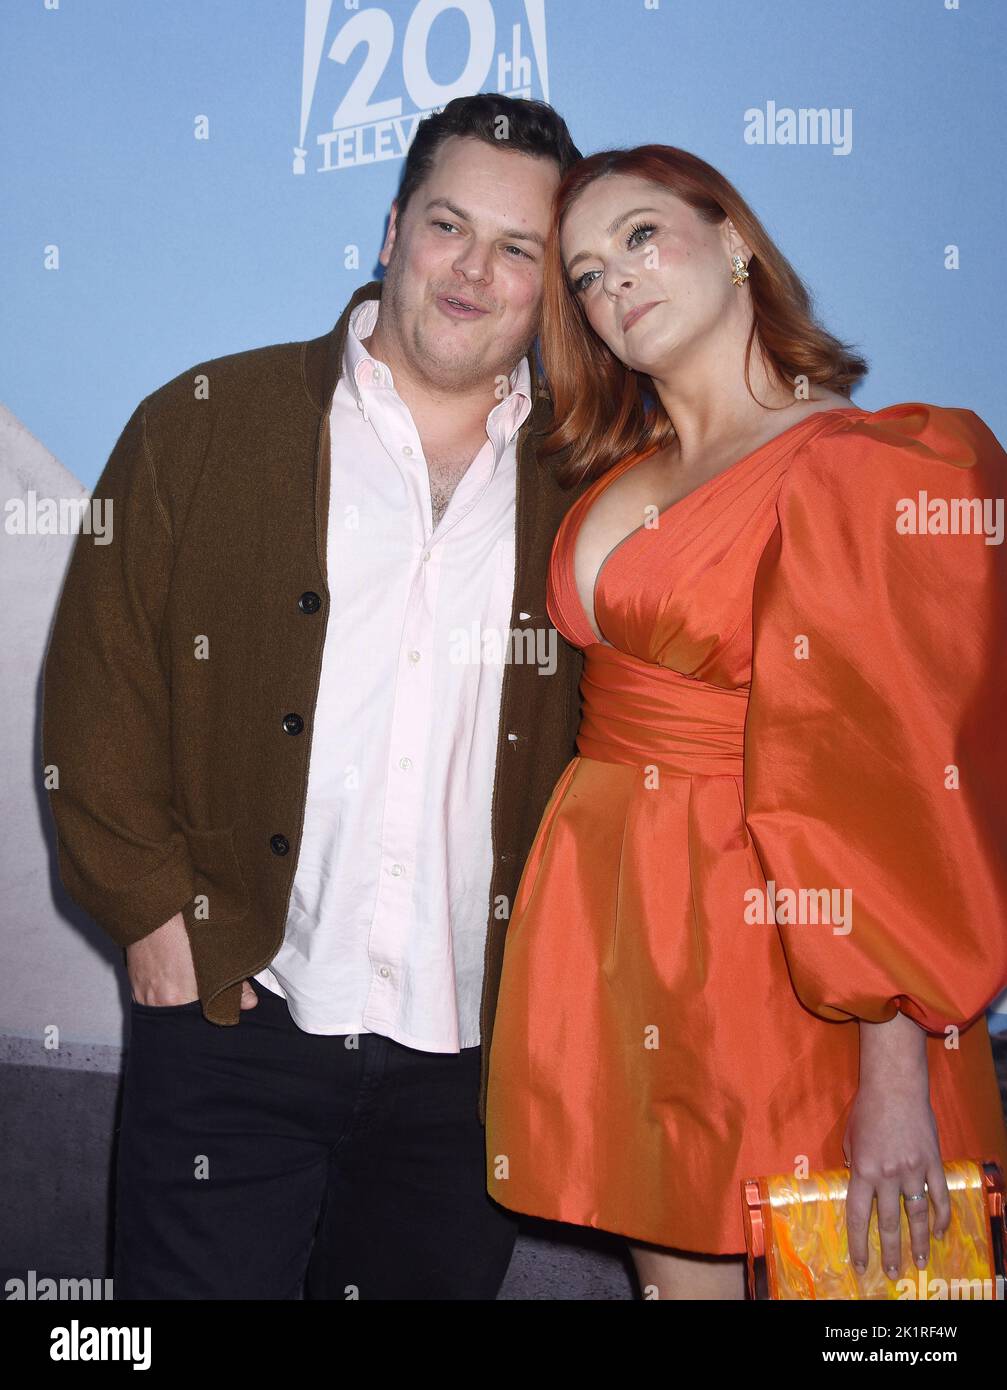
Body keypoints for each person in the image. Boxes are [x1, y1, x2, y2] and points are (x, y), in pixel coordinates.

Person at [41, 94, 589, 1300]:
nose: (473, 270)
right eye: (449, 225)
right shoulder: (205, 423)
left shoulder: (588, 485)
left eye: (518, 249)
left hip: (468, 1067)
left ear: (549, 286)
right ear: (390, 227)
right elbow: (99, 682)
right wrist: (148, 916)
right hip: (236, 1021)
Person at [484, 144, 1007, 1301]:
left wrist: (891, 1067)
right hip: (626, 934)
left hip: (797, 942)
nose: (610, 283)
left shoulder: (874, 467)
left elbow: (899, 783)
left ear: (732, 242)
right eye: (580, 275)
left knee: (876, 1312)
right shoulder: (612, 468)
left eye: (637, 238)